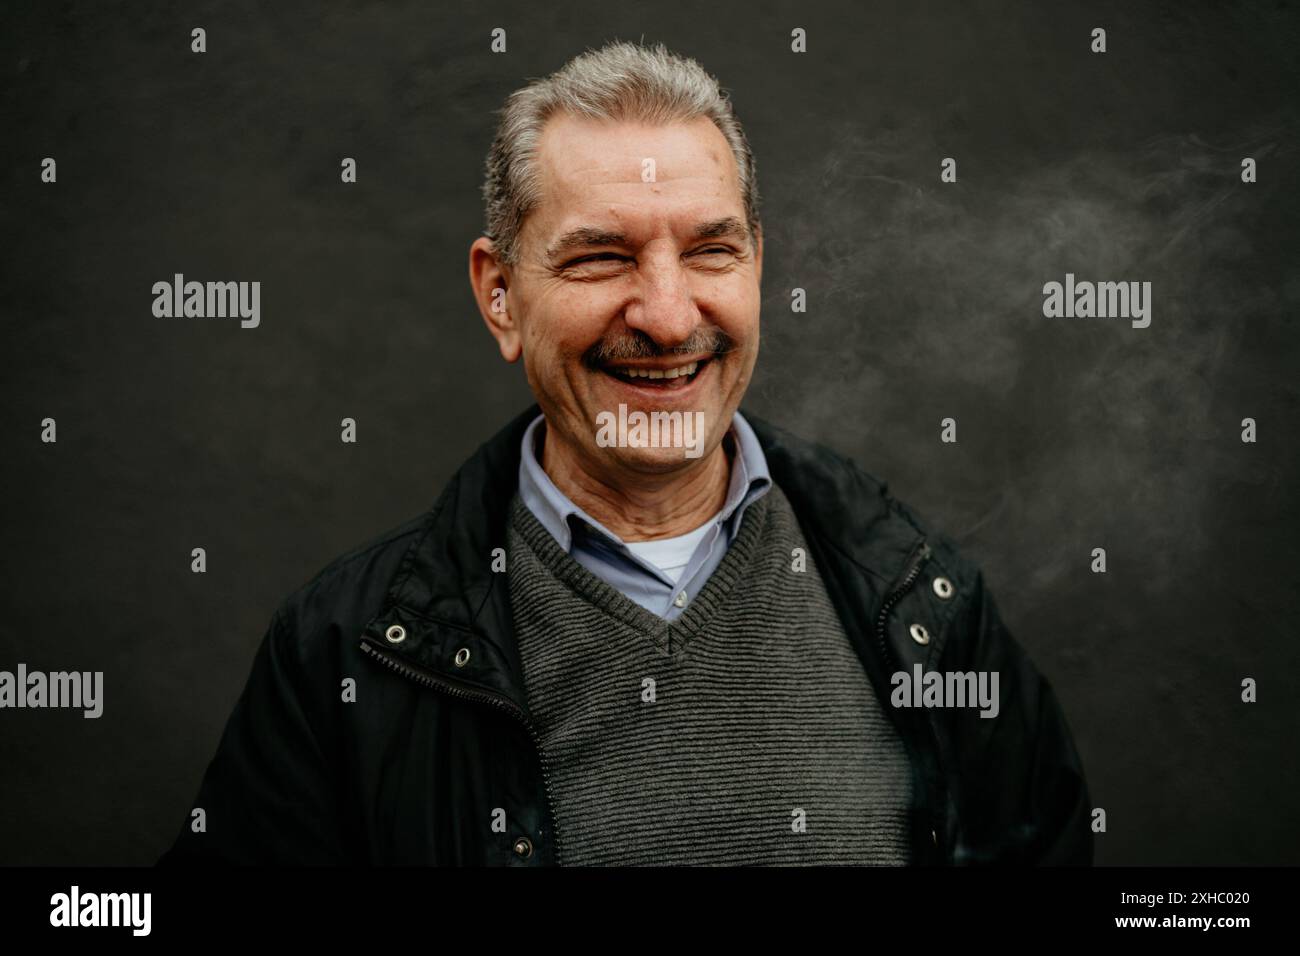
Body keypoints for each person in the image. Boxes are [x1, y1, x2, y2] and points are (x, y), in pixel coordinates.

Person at [159, 40, 1091, 866]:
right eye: (600, 258)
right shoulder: (341, 658)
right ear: (499, 294)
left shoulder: (925, 606)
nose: (669, 315)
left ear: (756, 266)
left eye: (710, 251)